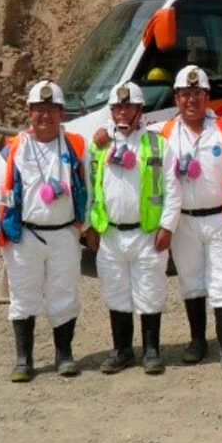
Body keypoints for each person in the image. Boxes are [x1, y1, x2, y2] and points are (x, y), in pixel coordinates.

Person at [0, 80, 88, 382]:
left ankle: (64, 354)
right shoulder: (14, 150)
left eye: (52, 109)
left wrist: (89, 226)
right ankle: (23, 359)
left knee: (64, 293)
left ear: (62, 113)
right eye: (39, 109)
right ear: (29, 112)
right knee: (23, 295)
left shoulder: (77, 146)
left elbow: (91, 186)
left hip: (65, 234)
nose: (45, 115)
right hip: (25, 237)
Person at [158, 65, 222, 374]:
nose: (191, 100)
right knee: (191, 281)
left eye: (197, 93)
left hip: (221, 219)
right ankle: (197, 341)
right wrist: (106, 134)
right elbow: (126, 130)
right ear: (176, 97)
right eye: (185, 94)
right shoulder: (163, 133)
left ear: (207, 96)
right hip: (184, 221)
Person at [85, 81, 181, 375]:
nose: (122, 113)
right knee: (116, 291)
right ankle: (122, 350)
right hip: (111, 234)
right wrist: (89, 226)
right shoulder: (99, 145)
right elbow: (89, 187)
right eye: (117, 108)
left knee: (150, 290)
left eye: (128, 107)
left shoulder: (157, 144)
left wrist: (167, 226)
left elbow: (172, 188)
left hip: (147, 233)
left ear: (140, 110)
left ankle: (151, 350)